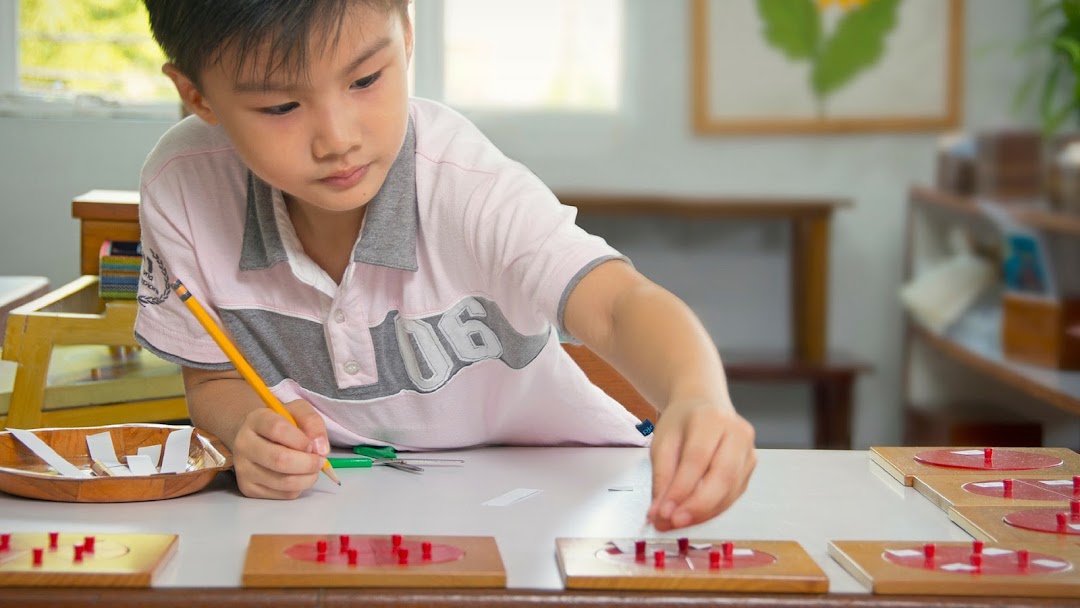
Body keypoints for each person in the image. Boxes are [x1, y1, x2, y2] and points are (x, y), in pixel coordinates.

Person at [135, 0, 755, 531]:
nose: (337, 138)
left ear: (405, 34)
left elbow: (618, 307)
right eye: (279, 107)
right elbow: (212, 380)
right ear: (197, 96)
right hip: (330, 505)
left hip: (558, 498)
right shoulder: (182, 186)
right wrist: (249, 428)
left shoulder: (466, 185)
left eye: (365, 80)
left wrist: (698, 396)